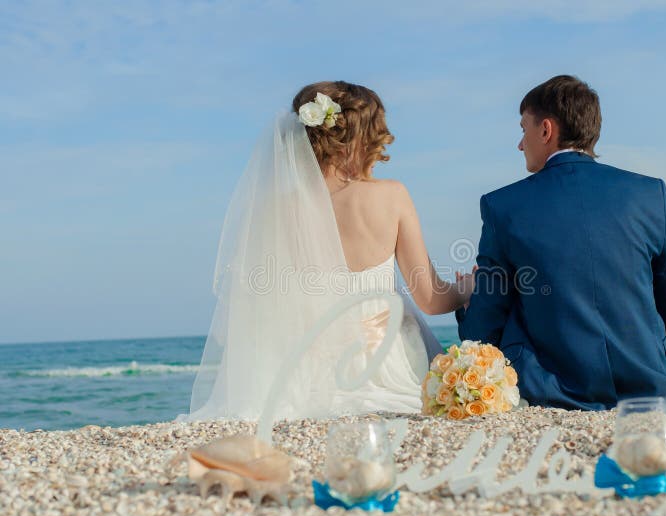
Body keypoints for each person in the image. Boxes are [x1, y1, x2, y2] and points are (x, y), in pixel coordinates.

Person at [184, 81, 472, 422]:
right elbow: (430, 298)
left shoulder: (276, 209)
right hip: (386, 361)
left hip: (306, 370)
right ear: (365, 139)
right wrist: (466, 290)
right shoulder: (391, 196)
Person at [457, 75, 666, 410]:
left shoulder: (503, 206)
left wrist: (468, 304)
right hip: (655, 392)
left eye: (523, 128)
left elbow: (485, 328)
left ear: (545, 130)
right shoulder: (648, 193)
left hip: (553, 394)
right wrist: (655, 358)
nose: (520, 143)